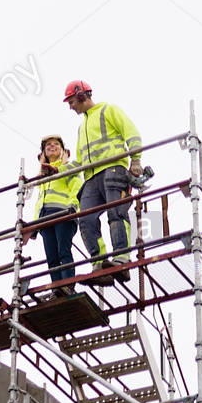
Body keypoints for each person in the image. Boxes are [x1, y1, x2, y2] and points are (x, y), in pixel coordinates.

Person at [63, 80, 142, 285]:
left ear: (81, 95)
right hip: (91, 178)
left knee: (116, 213)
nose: (70, 106)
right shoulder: (82, 128)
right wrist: (57, 171)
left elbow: (131, 133)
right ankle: (100, 265)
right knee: (86, 220)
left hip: (113, 168)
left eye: (71, 101)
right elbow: (79, 162)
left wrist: (136, 160)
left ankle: (121, 260)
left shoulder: (109, 110)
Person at [27, 134, 81, 299]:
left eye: (56, 144)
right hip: (45, 219)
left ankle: (68, 287)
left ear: (62, 150)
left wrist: (73, 208)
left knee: (63, 251)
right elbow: (39, 201)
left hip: (63, 214)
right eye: (48, 145)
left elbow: (77, 188)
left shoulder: (67, 167)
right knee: (52, 257)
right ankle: (57, 289)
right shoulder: (43, 175)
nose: (52, 146)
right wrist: (36, 225)